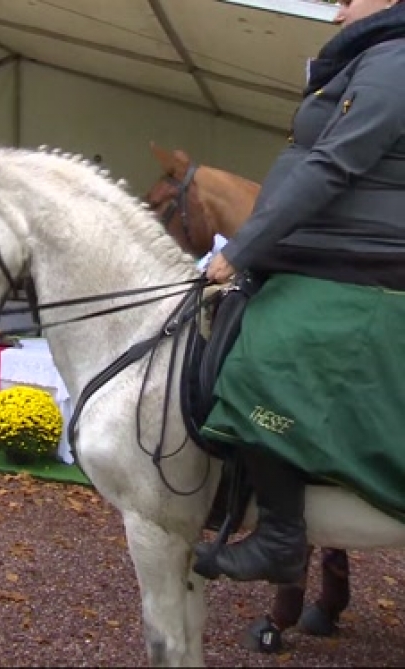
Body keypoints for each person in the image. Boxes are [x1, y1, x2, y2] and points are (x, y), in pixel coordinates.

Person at [197, 0, 405, 585]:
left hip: (364, 259)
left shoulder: (395, 58)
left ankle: (283, 536)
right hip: (329, 248)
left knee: (272, 346)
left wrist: (240, 249)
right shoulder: (370, 57)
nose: (337, 10)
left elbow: (334, 165)